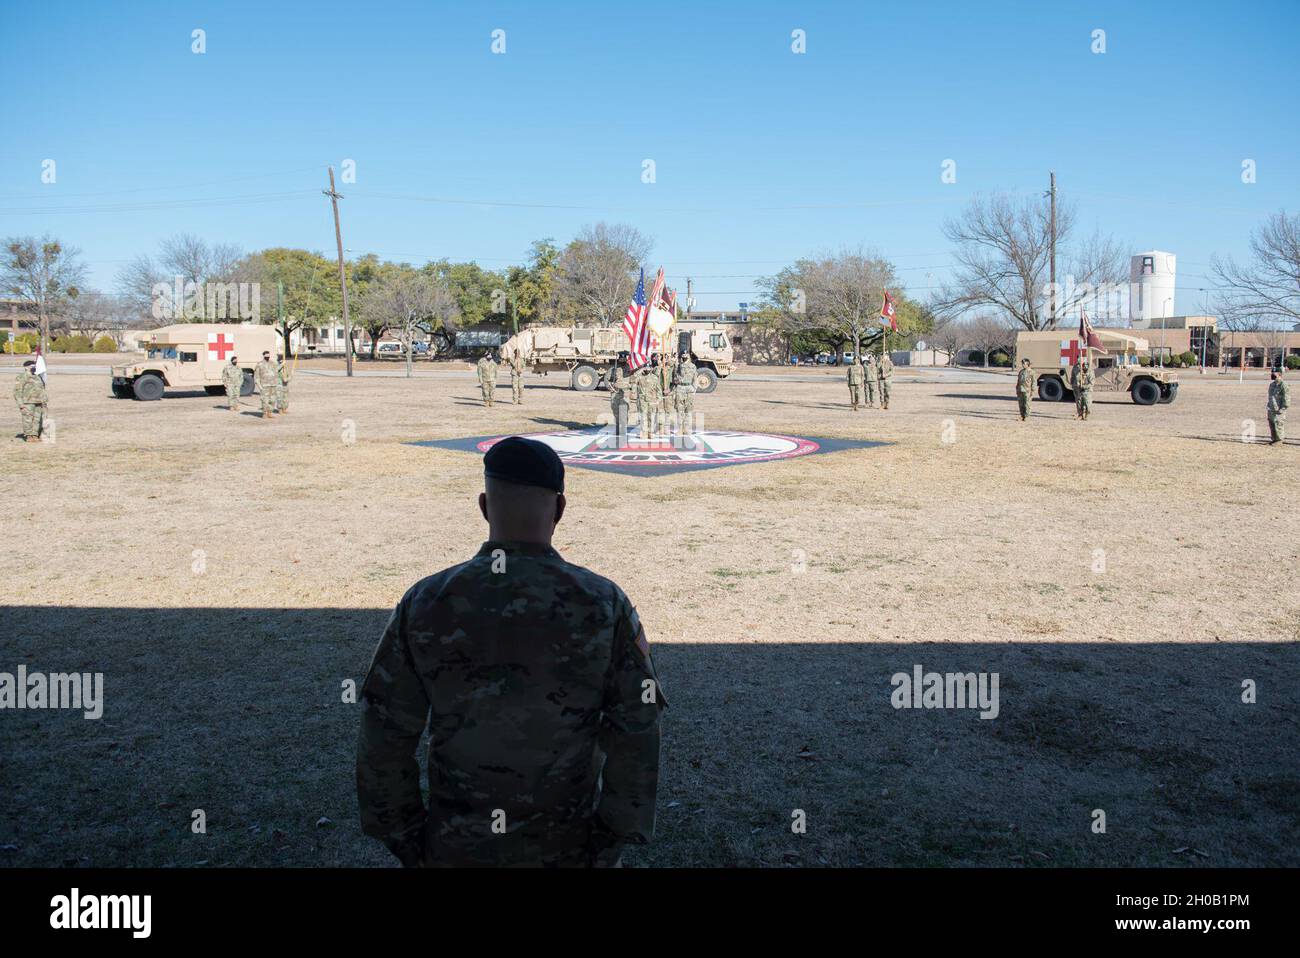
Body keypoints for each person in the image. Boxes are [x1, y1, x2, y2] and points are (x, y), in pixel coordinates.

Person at [356, 437, 665, 867]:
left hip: (457, 847)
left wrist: (407, 838)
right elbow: (637, 727)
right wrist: (611, 838)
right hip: (568, 848)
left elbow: (384, 731)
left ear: (484, 506)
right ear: (559, 510)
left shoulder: (427, 602)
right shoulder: (603, 604)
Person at [13, 359, 47, 442]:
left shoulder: (37, 376)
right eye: (32, 366)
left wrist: (44, 401)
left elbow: (41, 389)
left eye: (34, 366)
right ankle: (29, 436)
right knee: (27, 419)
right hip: (27, 402)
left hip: (38, 401)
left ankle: (35, 435)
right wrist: (20, 404)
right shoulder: (22, 377)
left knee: (37, 419)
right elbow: (17, 391)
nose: (34, 367)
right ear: (26, 368)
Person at [608, 354, 633, 444]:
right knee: (615, 411)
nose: (622, 359)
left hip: (625, 392)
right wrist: (610, 387)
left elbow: (634, 380)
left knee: (624, 411)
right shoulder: (614, 368)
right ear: (619, 359)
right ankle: (617, 428)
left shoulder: (630, 368)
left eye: (624, 358)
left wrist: (631, 389)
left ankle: (623, 430)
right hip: (615, 392)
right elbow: (607, 379)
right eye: (621, 358)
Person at [672, 352, 697, 432]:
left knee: (688, 410)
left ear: (689, 356)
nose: (685, 357)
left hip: (689, 389)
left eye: (686, 355)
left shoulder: (693, 366)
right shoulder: (678, 366)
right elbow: (674, 377)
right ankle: (680, 429)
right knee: (679, 410)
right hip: (680, 388)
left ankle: (686, 429)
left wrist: (694, 389)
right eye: (683, 355)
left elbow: (695, 378)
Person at [638, 357, 662, 437]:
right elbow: (634, 384)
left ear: (651, 368)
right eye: (646, 367)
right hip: (642, 401)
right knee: (643, 416)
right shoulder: (640, 377)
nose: (647, 369)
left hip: (652, 400)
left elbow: (659, 390)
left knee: (651, 417)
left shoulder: (655, 378)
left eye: (649, 367)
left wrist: (658, 400)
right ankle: (644, 432)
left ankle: (651, 432)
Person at [1267, 367, 1290, 444]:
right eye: (1272, 372)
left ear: (1279, 374)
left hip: (1279, 408)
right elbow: (1270, 396)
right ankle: (1274, 439)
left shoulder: (1283, 384)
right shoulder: (1272, 384)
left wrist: (1283, 408)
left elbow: (1286, 397)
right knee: (1272, 424)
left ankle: (1279, 440)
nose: (1272, 374)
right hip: (1271, 408)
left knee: (1278, 424)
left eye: (1274, 373)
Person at [255, 351, 279, 419]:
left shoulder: (273, 363)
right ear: (263, 355)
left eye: (268, 355)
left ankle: (270, 412)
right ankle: (264, 413)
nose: (268, 356)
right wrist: (260, 387)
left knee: (273, 400)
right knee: (265, 400)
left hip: (273, 385)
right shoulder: (259, 364)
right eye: (266, 355)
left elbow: (276, 372)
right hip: (264, 386)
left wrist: (282, 365)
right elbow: (256, 376)